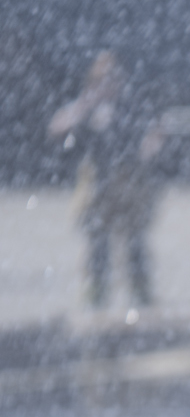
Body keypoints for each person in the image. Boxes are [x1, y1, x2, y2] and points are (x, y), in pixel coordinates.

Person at [48, 50, 162, 308]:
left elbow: (153, 133)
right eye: (101, 78)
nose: (108, 84)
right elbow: (57, 127)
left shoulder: (132, 105)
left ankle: (140, 291)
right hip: (98, 181)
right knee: (98, 241)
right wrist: (85, 106)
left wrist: (147, 147)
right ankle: (97, 291)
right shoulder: (88, 106)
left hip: (130, 180)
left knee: (135, 241)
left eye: (112, 78)